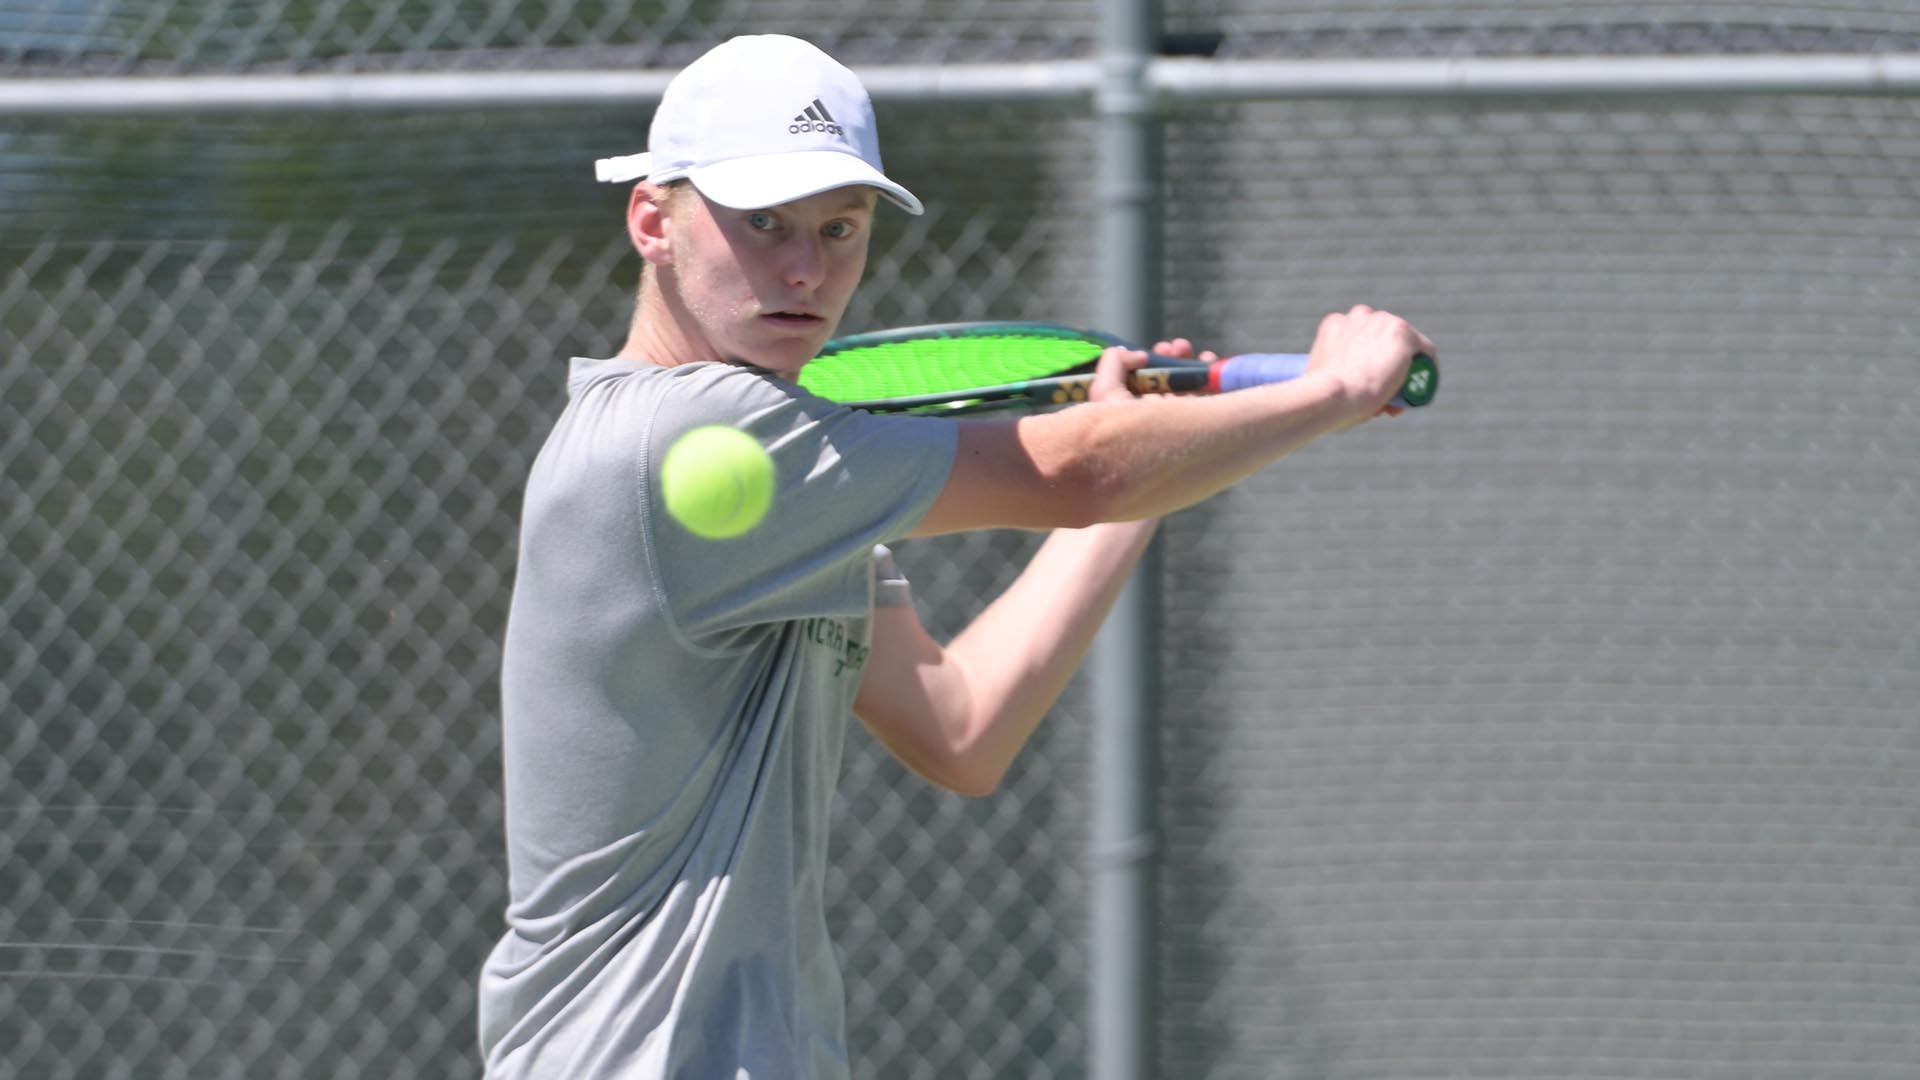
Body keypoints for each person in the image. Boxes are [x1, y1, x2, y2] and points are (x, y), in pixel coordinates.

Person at [478, 33, 1435, 1080]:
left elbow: (962, 727)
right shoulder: (690, 441)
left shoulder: (785, 484)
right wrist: (1333, 391)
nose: (806, 268)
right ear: (653, 223)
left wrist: (1157, 470)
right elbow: (1074, 473)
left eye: (840, 228)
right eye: (761, 224)